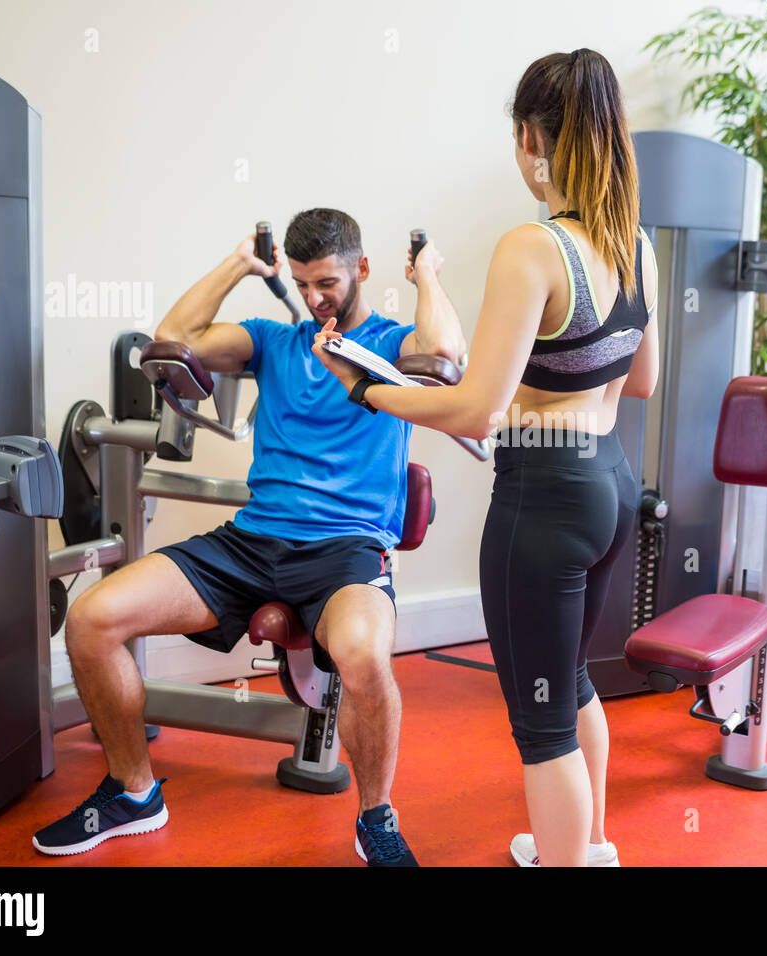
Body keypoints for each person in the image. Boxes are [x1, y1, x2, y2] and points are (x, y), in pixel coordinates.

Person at [33, 208, 465, 867]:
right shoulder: (273, 339)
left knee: (365, 654)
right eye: (303, 283)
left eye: (329, 282)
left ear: (362, 271)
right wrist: (240, 262)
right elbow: (172, 336)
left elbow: (445, 357)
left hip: (345, 550)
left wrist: (428, 274)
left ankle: (376, 819)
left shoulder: (392, 342)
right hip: (251, 542)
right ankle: (134, 791)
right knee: (93, 619)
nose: (317, 298)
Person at [313, 49, 659, 866]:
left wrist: (369, 390)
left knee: (542, 728)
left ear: (532, 139)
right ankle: (590, 846)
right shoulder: (635, 244)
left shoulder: (531, 246)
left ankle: (566, 856)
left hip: (545, 502)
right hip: (607, 479)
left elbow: (476, 409)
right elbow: (638, 378)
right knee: (572, 683)